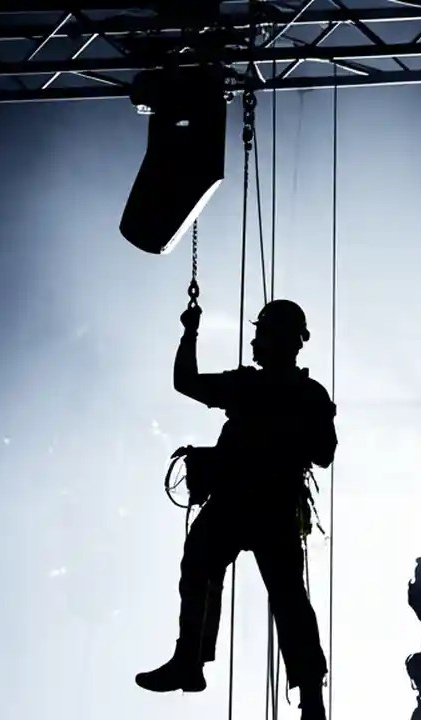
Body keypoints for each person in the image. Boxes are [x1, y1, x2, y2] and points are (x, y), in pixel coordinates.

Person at [135, 299, 337, 720]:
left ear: (278, 339)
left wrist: (190, 329)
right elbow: (324, 453)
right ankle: (309, 697)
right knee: (285, 598)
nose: (254, 341)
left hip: (246, 501)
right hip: (271, 506)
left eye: (261, 333)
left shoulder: (252, 387)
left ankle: (190, 659)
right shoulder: (306, 393)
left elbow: (185, 381)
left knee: (205, 570)